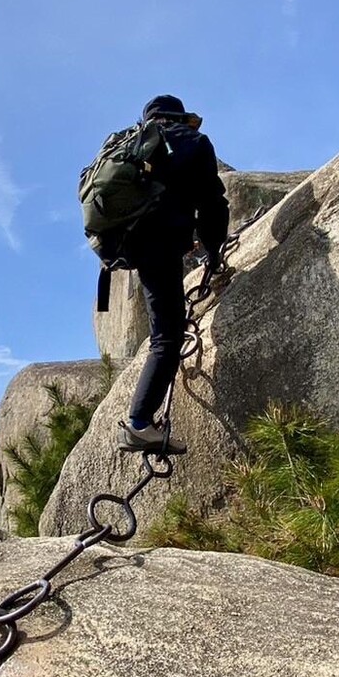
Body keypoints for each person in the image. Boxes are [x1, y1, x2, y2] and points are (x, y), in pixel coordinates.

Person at [117, 94, 229, 454]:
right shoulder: (191, 142)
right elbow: (213, 204)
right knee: (167, 336)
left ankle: (140, 421)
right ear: (181, 117)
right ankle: (139, 424)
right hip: (160, 245)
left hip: (136, 248)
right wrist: (213, 250)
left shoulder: (131, 144)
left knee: (163, 329)